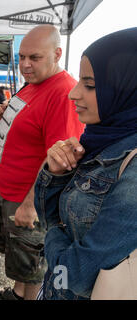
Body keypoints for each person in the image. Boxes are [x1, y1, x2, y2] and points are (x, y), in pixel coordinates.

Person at [34, 27, 137, 300]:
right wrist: (54, 173)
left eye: (90, 85)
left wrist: (53, 233)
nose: (73, 94)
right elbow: (45, 216)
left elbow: (76, 276)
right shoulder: (99, 140)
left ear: (127, 88)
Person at [0, 24, 85, 300]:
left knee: (34, 263)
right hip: (11, 193)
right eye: (22, 58)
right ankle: (18, 293)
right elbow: (31, 122)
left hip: (29, 200)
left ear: (57, 54)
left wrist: (31, 205)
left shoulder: (63, 93)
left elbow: (58, 160)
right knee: (22, 262)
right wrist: (3, 112)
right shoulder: (34, 84)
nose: (25, 65)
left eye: (35, 58)